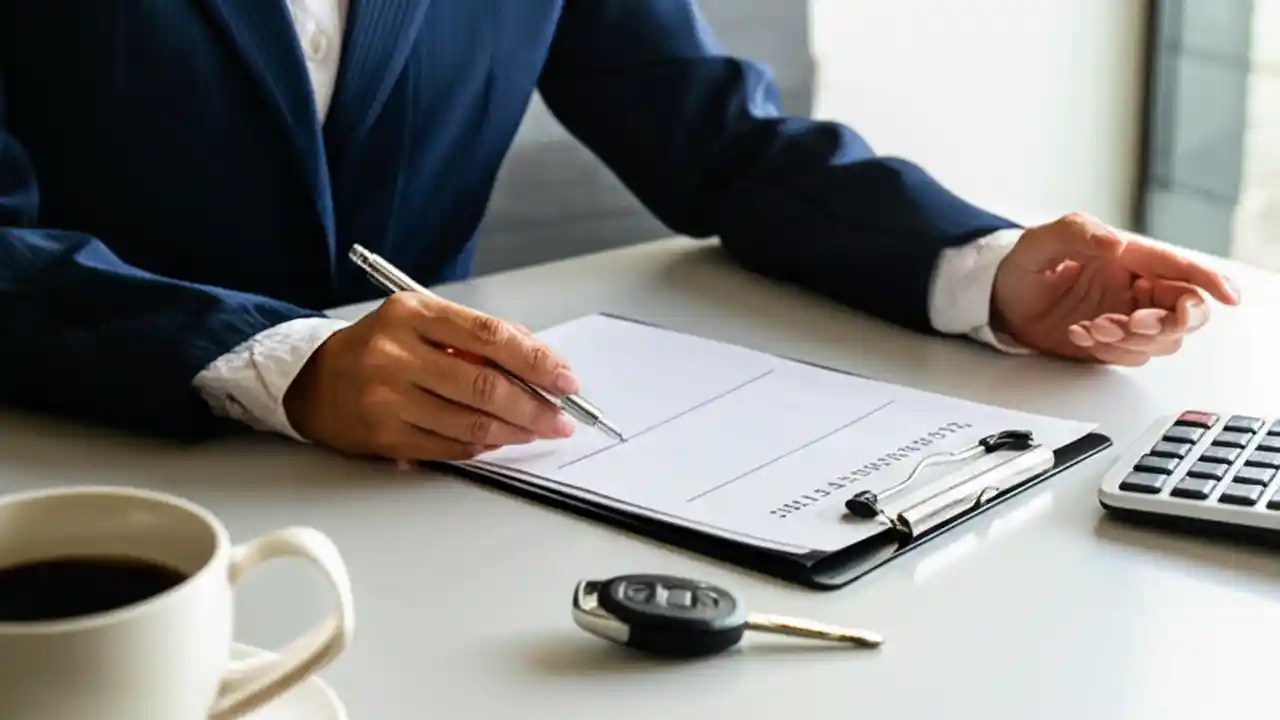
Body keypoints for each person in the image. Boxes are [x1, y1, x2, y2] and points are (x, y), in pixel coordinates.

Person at [0, 1, 1239, 463]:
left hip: (443, 472)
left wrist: (990, 267)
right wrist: (286, 360)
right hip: (80, 463)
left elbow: (713, 134)